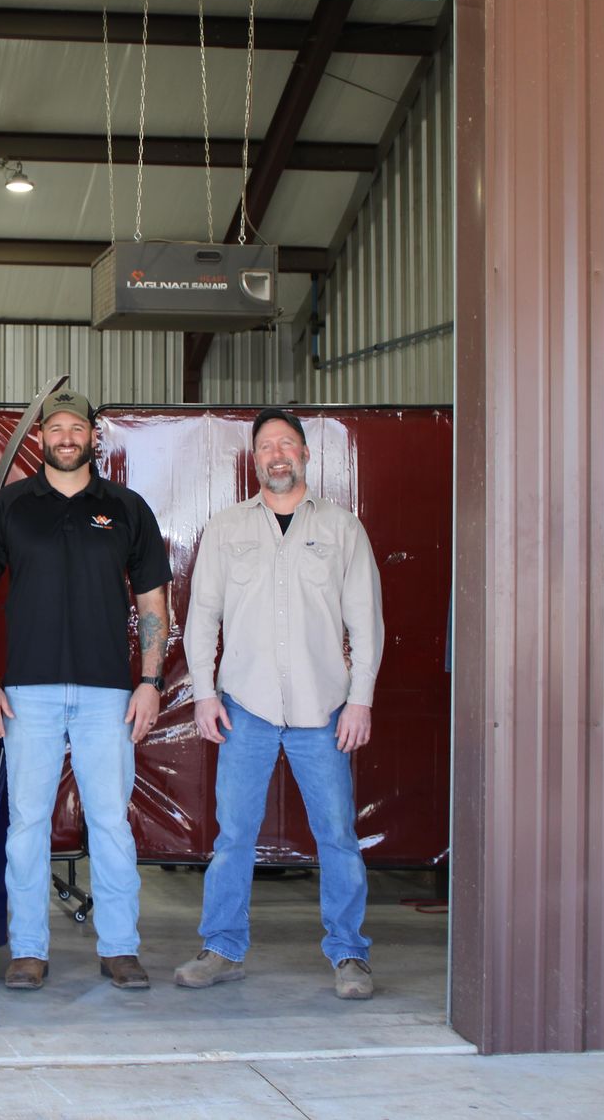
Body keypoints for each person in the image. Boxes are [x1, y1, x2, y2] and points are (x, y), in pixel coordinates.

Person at [0, 389, 172, 992]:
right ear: (41, 438)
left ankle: (120, 948)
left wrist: (151, 681)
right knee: (27, 822)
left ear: (92, 437)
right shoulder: (9, 507)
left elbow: (153, 600)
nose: (66, 436)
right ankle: (28, 949)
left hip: (109, 694)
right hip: (27, 692)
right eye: (55, 427)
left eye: (76, 426)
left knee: (110, 821)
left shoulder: (127, 508)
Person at [178, 407, 385, 1000]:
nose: (276, 455)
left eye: (287, 444)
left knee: (338, 834)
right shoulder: (226, 529)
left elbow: (366, 625)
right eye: (266, 446)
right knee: (233, 836)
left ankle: (349, 955)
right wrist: (204, 694)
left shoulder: (343, 529)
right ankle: (222, 947)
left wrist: (360, 701)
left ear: (305, 455)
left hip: (324, 712)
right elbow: (203, 619)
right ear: (254, 458)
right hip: (246, 708)